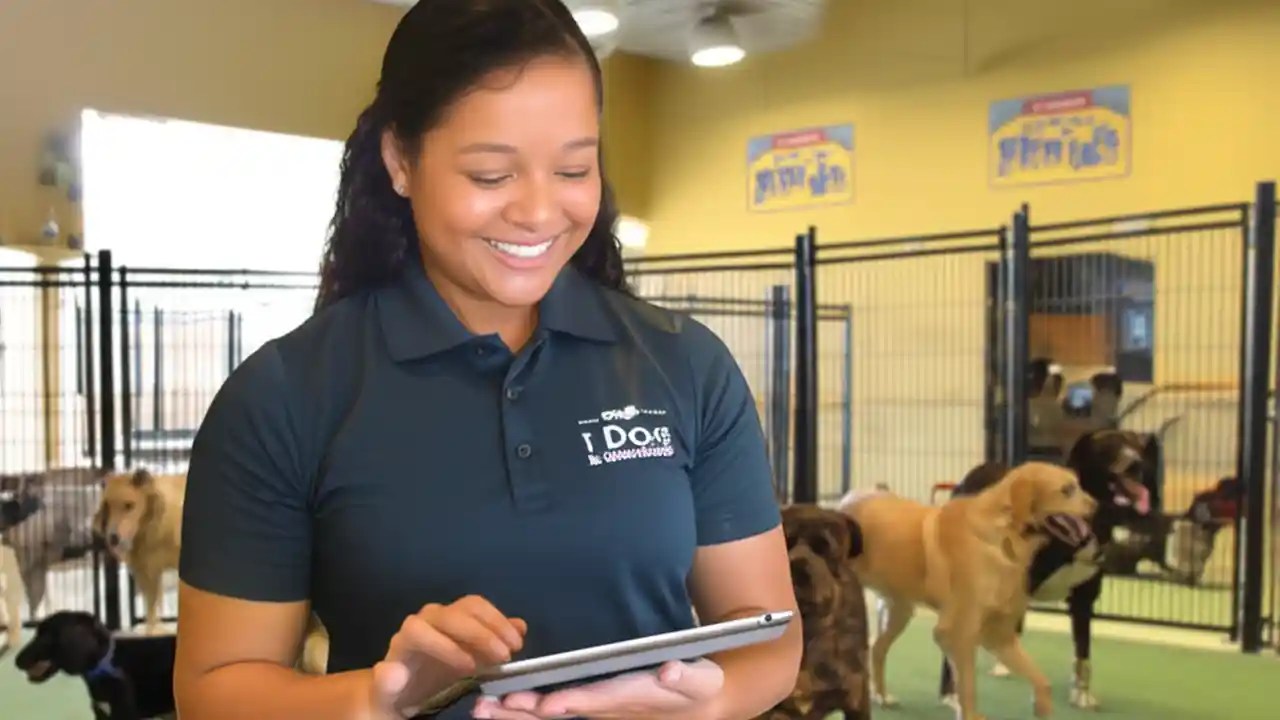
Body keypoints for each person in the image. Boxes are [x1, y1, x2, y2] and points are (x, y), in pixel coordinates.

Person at [172, 2, 801, 720]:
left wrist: (705, 707)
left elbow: (771, 634)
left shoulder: (686, 366)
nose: (538, 213)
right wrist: (378, 699)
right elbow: (213, 691)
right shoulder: (284, 397)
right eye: (491, 175)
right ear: (401, 161)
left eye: (573, 168)